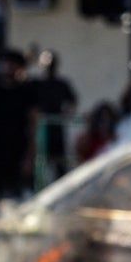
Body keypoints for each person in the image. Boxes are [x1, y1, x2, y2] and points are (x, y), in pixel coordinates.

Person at [0, 49, 36, 210]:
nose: (9, 68)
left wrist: (30, 154)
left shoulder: (26, 91)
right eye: (6, 64)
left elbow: (33, 123)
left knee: (19, 195)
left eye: (13, 64)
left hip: (18, 148)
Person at [31, 49, 77, 183]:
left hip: (56, 129)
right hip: (39, 131)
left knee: (59, 165)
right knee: (39, 164)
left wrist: (67, 113)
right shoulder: (36, 84)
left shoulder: (62, 84)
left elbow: (72, 102)